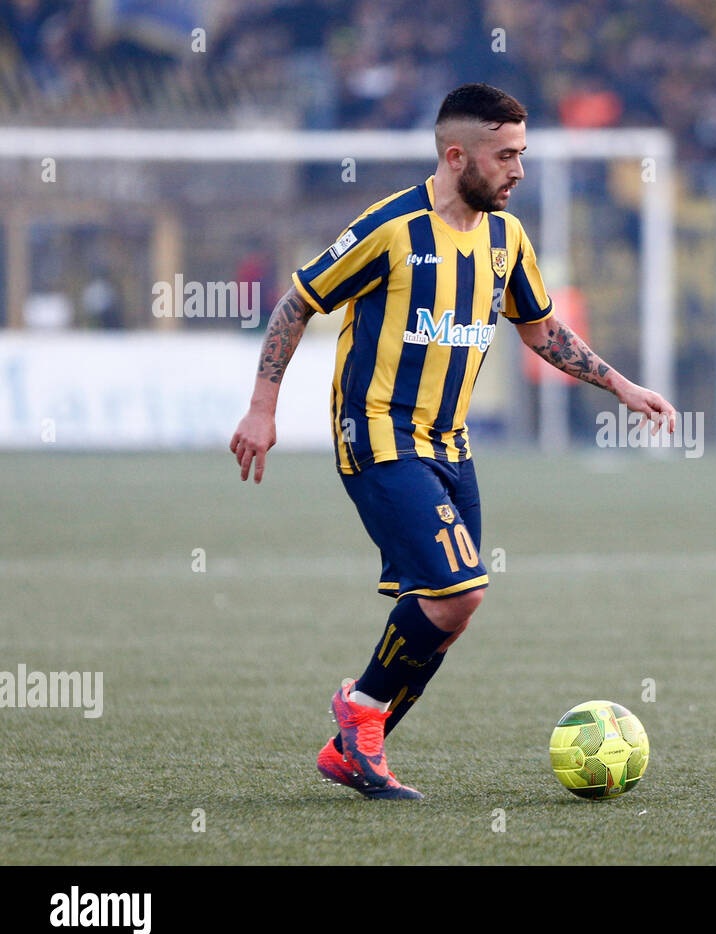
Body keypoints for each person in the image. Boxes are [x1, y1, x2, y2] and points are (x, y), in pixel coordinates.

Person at [228, 83, 676, 799]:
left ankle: (355, 749)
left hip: (450, 444)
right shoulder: (391, 227)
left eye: (522, 154)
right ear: (457, 154)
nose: (518, 170)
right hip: (377, 432)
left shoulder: (507, 239)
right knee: (457, 588)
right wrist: (261, 407)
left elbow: (541, 331)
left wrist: (620, 385)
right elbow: (297, 302)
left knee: (452, 612)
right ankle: (361, 712)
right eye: (505, 156)